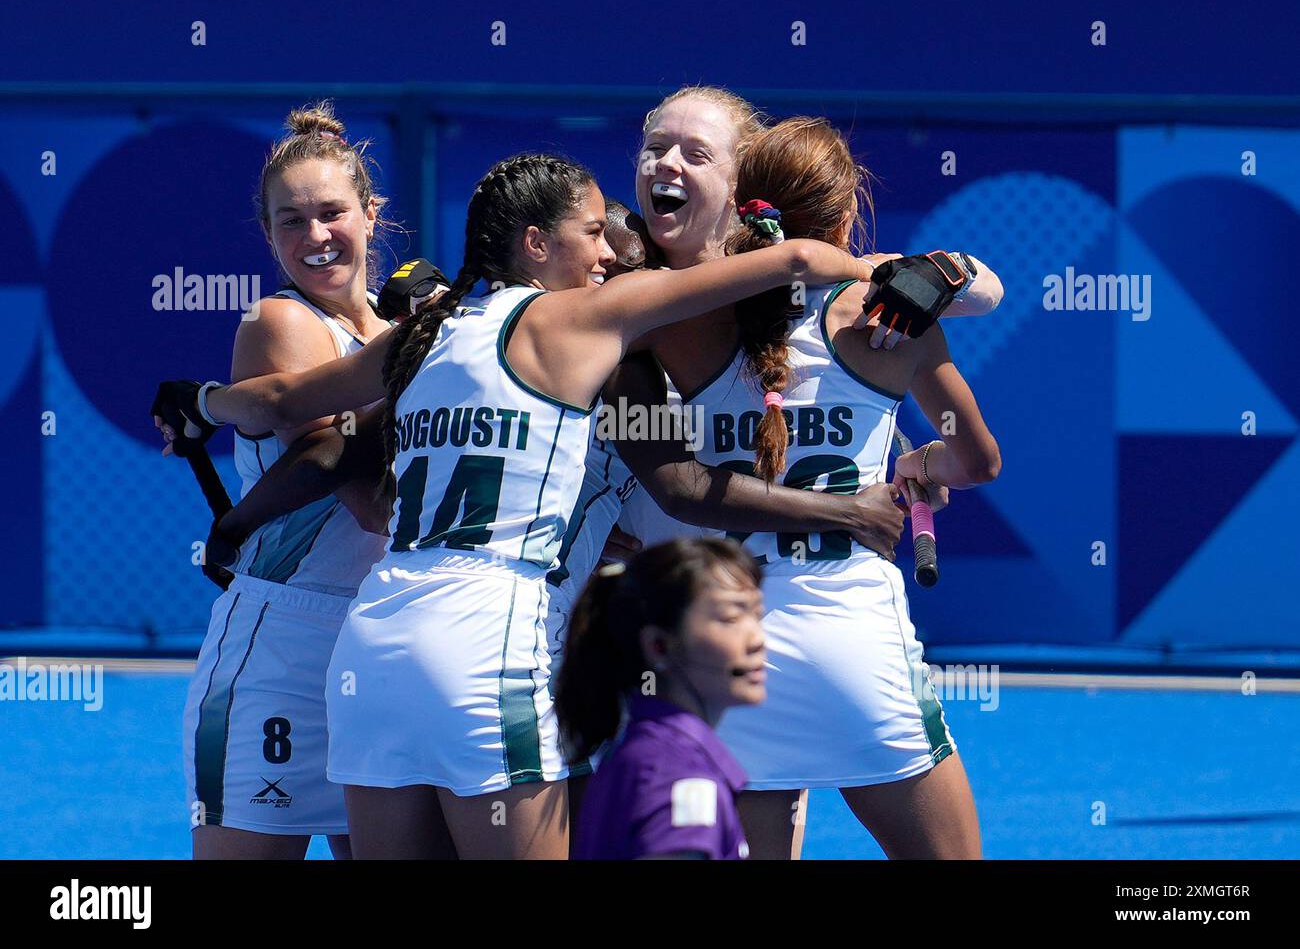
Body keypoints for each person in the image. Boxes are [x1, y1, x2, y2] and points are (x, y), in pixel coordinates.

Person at [153, 151, 876, 858]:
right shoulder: (584, 320)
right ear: (536, 243)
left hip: (375, 638)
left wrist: (205, 408)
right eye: (593, 232)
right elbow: (792, 265)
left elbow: (289, 406)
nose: (606, 252)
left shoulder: (425, 333)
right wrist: (881, 275)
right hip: (485, 631)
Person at [618, 88, 1001, 858]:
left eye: (695, 153)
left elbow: (680, 480)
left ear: (740, 198)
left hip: (725, 656)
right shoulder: (888, 315)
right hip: (852, 641)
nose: (667, 166)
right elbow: (979, 460)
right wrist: (914, 466)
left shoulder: (666, 317)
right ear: (843, 219)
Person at [173, 101, 397, 860]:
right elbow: (366, 502)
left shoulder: (402, 334)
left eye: (332, 212)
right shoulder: (283, 321)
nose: (315, 237)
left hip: (383, 647)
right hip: (284, 653)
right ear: (267, 236)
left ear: (371, 214)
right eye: (290, 222)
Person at [556, 538, 765, 860]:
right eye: (730, 618)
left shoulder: (650, 751)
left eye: (757, 615)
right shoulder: (679, 776)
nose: (758, 639)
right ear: (658, 645)